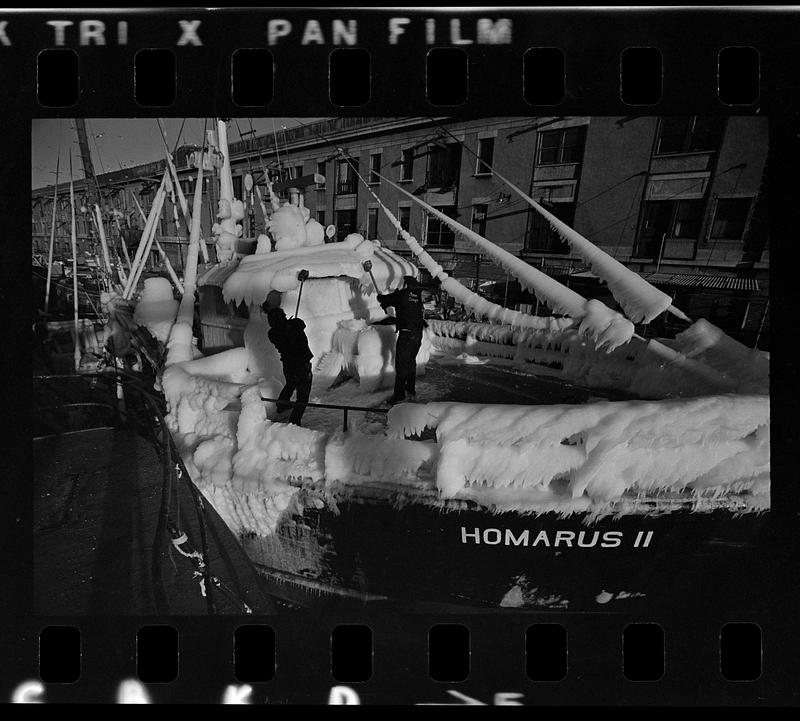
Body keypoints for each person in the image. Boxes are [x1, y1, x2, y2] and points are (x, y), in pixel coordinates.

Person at [377, 274, 438, 404]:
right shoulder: (417, 296)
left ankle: (398, 395)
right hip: (417, 335)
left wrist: (381, 298)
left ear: (405, 284)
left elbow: (385, 299)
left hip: (406, 335)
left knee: (401, 366)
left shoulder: (401, 295)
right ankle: (410, 391)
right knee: (411, 363)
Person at [264, 305, 314, 426]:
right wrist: (290, 325)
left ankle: (282, 405)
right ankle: (294, 422)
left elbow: (300, 324)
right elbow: (300, 325)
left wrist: (290, 325)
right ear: (280, 318)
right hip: (301, 365)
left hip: (289, 365)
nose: (286, 317)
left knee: (291, 383)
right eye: (284, 316)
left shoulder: (274, 332)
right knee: (302, 397)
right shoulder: (288, 329)